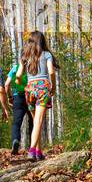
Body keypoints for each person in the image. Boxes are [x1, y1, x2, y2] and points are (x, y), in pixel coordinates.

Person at [20, 30, 57, 160]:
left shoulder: (26, 56)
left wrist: (19, 82)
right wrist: (53, 86)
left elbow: (19, 75)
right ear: (42, 41)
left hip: (29, 89)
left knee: (36, 121)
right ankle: (31, 150)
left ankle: (38, 152)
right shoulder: (46, 54)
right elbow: (51, 72)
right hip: (42, 87)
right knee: (38, 121)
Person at [4, 57, 30, 155]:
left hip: (17, 97)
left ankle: (15, 140)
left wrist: (9, 97)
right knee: (33, 120)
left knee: (16, 122)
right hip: (30, 96)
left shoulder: (15, 68)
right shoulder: (31, 68)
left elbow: (6, 85)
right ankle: (33, 147)